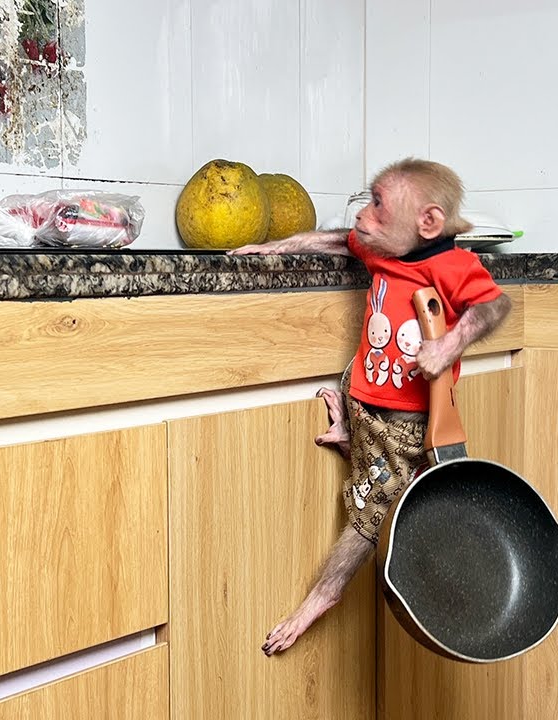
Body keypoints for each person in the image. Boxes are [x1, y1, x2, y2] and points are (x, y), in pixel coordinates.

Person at [229, 158, 513, 655]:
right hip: (362, 392)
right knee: (363, 415)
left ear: (427, 223)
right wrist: (271, 249)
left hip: (406, 418)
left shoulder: (451, 266)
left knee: (372, 513)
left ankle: (325, 592)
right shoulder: (385, 247)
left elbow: (493, 306)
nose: (365, 214)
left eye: (379, 206)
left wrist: (449, 346)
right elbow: (338, 239)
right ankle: (350, 436)